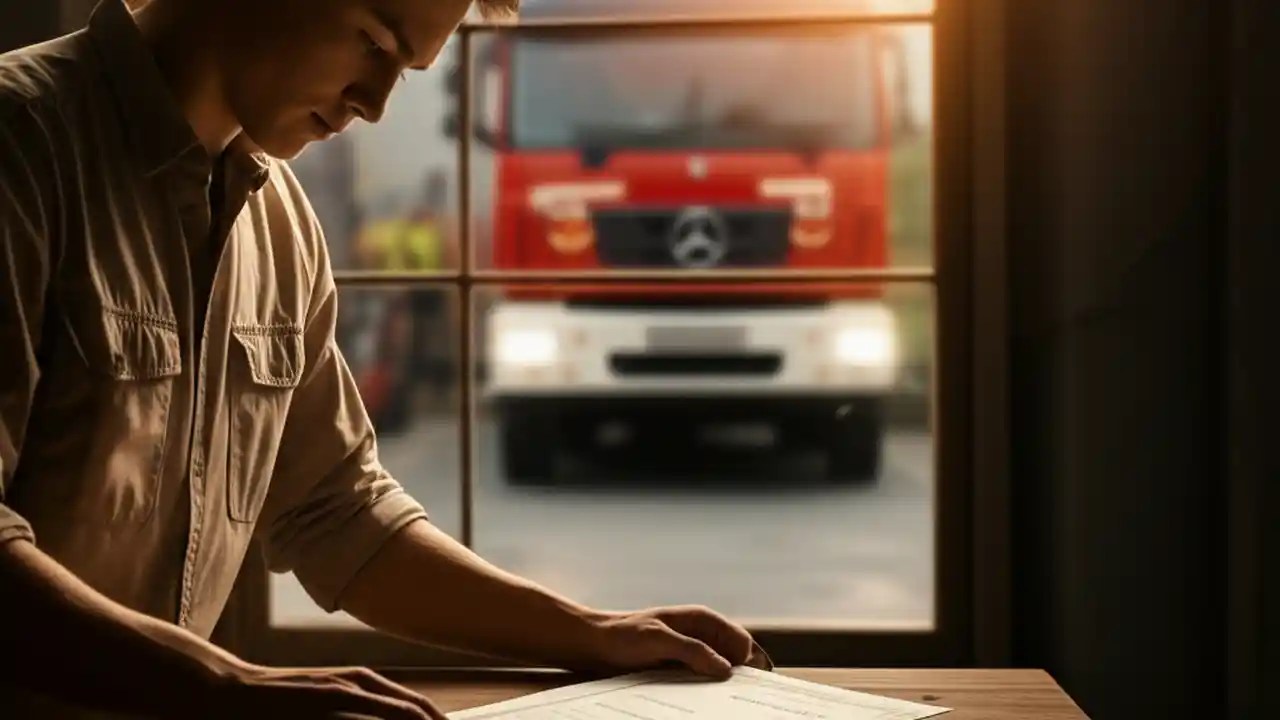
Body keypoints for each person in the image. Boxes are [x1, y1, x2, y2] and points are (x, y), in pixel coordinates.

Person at [0, 1, 764, 718]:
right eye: (373, 41)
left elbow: (340, 512)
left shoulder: (279, 224)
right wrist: (222, 683)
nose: (374, 103)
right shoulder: (19, 146)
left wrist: (596, 635)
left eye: (407, 70)